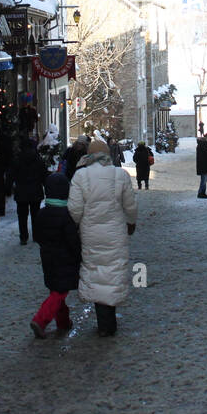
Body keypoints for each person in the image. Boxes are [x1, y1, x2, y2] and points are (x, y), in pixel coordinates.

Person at [68, 138, 137, 337]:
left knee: (95, 270)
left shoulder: (81, 176)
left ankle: (103, 321)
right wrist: (131, 223)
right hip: (115, 232)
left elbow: (74, 209)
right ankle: (110, 319)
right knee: (113, 271)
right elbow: (130, 205)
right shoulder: (120, 175)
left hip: (90, 232)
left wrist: (78, 224)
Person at [30, 172, 80, 338]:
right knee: (59, 292)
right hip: (65, 260)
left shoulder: (42, 213)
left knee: (56, 290)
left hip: (47, 258)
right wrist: (79, 255)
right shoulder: (66, 215)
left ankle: (63, 322)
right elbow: (73, 240)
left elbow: (36, 236)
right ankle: (40, 320)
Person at [8, 135, 48, 245]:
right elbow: (44, 176)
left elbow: (11, 175)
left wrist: (8, 188)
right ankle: (36, 235)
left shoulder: (17, 160)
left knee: (22, 216)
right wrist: (47, 188)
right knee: (36, 215)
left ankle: (23, 237)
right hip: (36, 191)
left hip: (21, 191)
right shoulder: (39, 160)